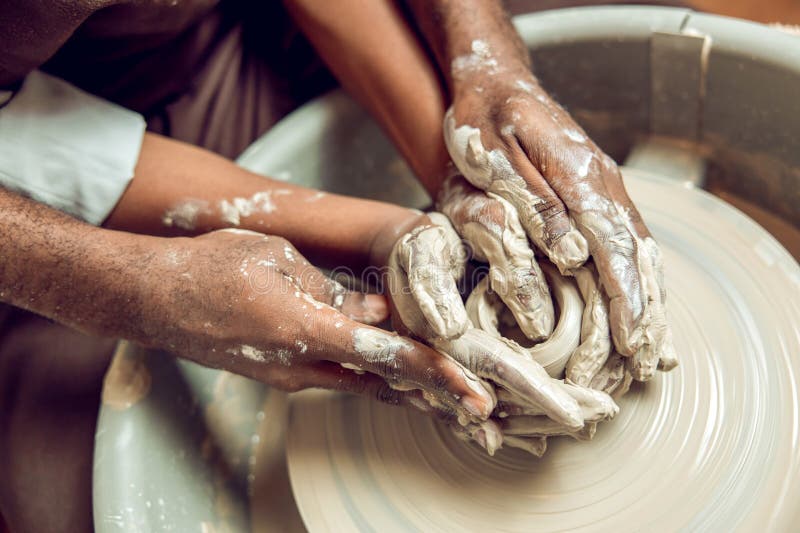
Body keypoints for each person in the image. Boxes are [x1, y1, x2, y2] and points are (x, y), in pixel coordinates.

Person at [0, 1, 677, 530]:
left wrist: (471, 117)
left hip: (249, 28)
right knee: (62, 484)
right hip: (37, 185)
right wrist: (139, 286)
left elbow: (476, 86)